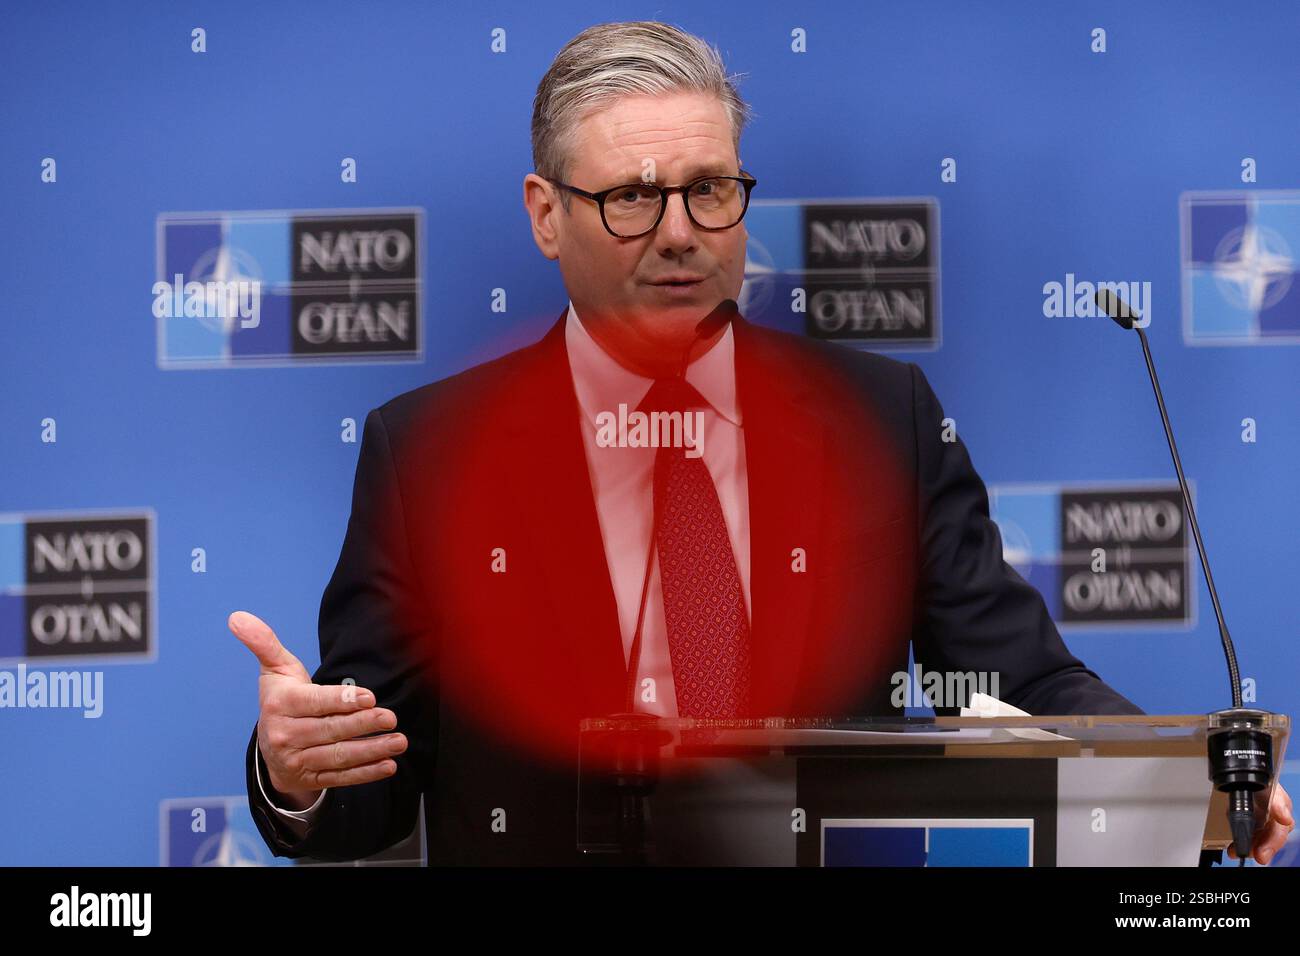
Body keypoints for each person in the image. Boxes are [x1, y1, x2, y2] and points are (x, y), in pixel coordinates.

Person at [233, 21, 1293, 866]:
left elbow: (1017, 679)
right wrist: (299, 769)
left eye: (708, 188)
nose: (682, 229)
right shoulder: (430, 453)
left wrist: (1181, 778)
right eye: (633, 197)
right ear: (545, 214)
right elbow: (369, 782)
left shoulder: (882, 420)